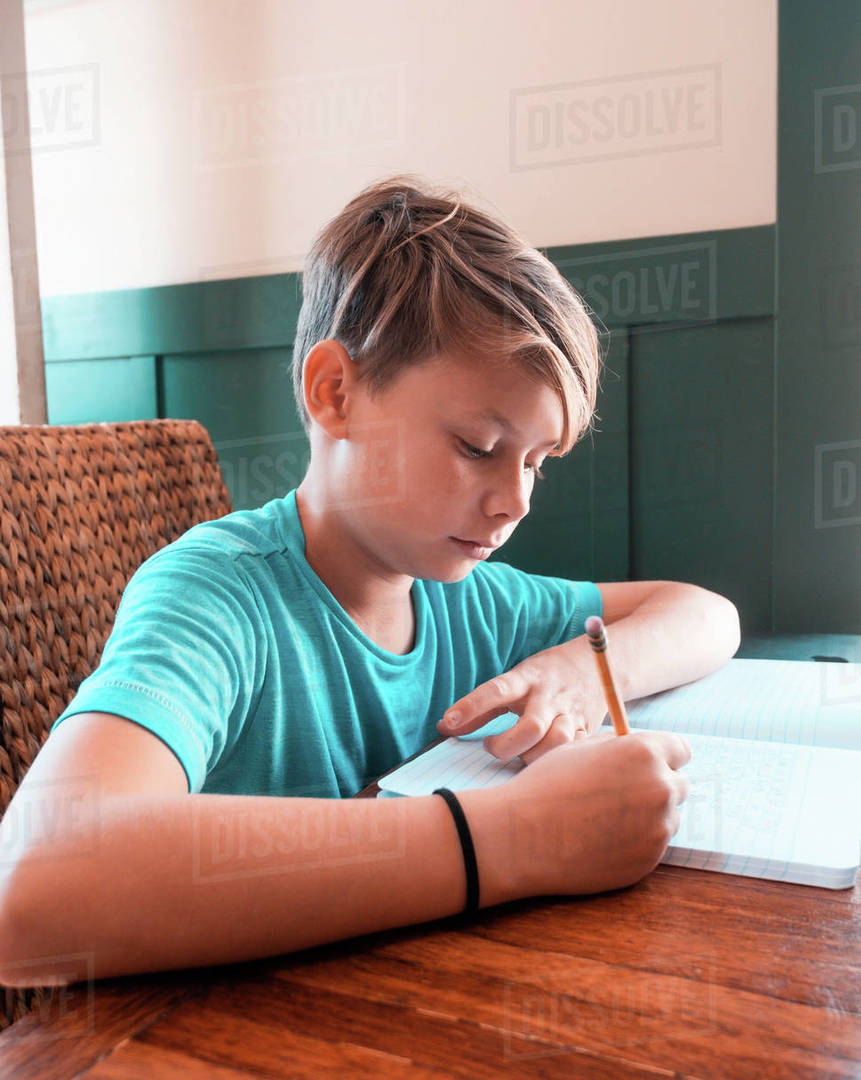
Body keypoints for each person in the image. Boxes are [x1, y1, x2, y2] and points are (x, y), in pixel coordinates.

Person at [0, 177, 740, 987]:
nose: (515, 500)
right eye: (475, 444)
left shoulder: (471, 600)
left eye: (535, 462)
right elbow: (34, 890)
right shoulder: (220, 596)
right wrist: (511, 838)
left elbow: (704, 613)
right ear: (336, 393)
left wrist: (577, 675)